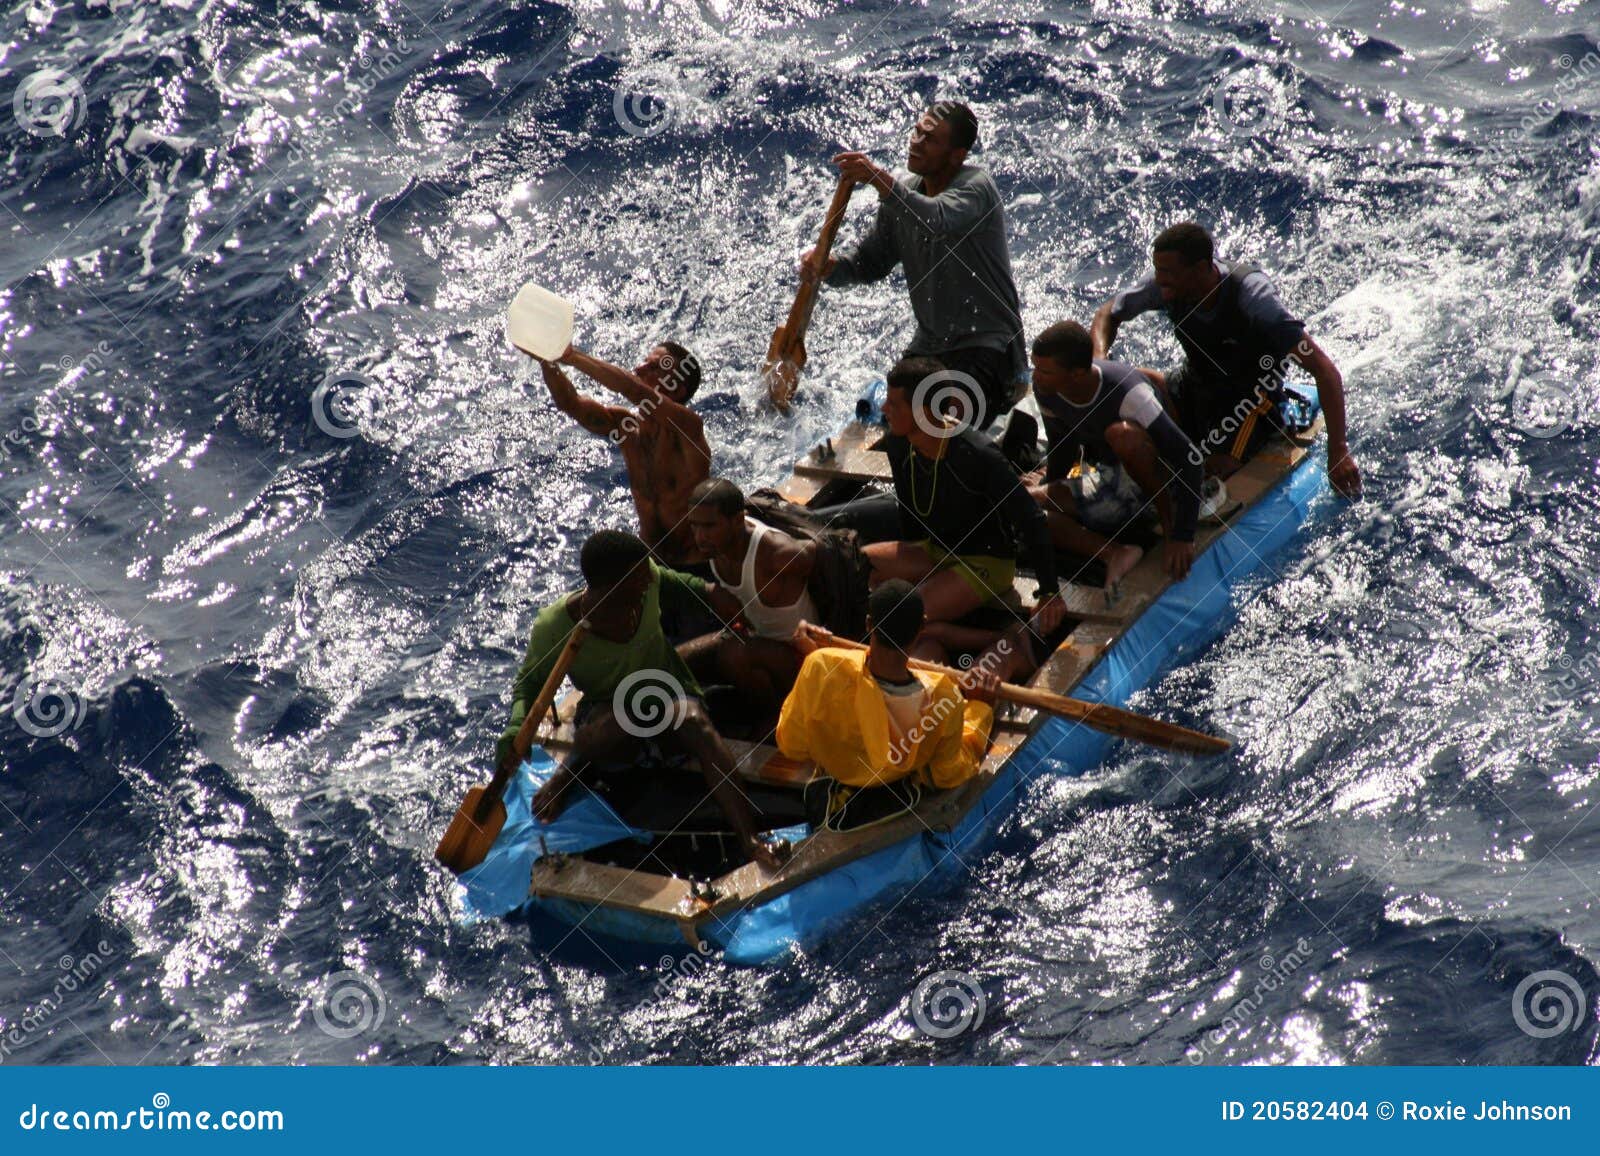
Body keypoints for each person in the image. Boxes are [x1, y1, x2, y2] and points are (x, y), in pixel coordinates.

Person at [497, 530, 784, 870]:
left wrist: (711, 593)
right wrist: (516, 725)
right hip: (611, 708)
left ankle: (749, 840)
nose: (650, 577)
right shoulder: (555, 626)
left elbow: (680, 584)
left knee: (696, 724)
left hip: (666, 686)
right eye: (639, 576)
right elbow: (529, 686)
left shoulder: (646, 582)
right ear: (613, 586)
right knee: (598, 734)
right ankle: (572, 775)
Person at [1091, 221, 1361, 497]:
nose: (1159, 282)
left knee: (1213, 467)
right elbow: (1107, 314)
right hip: (1195, 384)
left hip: (1248, 403)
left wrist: (1338, 450)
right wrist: (1099, 362)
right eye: (1158, 271)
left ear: (1199, 269)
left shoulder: (1254, 299)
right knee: (1126, 384)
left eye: (1168, 273)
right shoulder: (1163, 284)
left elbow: (1325, 370)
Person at [801, 101, 1026, 425]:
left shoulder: (976, 188)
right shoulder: (904, 193)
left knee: (942, 426)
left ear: (956, 155)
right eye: (917, 132)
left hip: (990, 346)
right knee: (895, 420)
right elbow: (869, 263)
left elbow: (936, 219)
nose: (916, 141)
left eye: (930, 139)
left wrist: (879, 179)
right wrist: (829, 268)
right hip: (931, 345)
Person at [777, 581, 1000, 826]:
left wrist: (816, 658)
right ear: (922, 626)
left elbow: (791, 744)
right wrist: (980, 707)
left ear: (869, 623)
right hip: (891, 795)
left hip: (833, 795)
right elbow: (948, 775)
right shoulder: (943, 696)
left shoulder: (820, 665)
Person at [868, 357, 1062, 625]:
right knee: (855, 565)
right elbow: (909, 516)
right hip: (934, 550)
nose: (883, 408)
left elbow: (1031, 517)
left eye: (894, 404)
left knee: (900, 619)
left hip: (986, 562)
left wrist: (1050, 591)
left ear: (924, 412)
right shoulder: (898, 443)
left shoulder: (977, 454)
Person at [1025, 320, 1206, 586]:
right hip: (1111, 476)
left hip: (1160, 476)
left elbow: (1189, 458)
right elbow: (1062, 443)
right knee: (1027, 505)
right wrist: (1049, 485)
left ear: (1076, 374)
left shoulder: (1130, 395)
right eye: (1036, 366)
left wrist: (1182, 535)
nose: (1036, 376)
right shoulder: (1047, 390)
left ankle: (1164, 520)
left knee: (1121, 436)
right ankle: (1115, 553)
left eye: (1045, 371)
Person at [534, 343, 713, 566]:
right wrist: (545, 359)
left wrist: (571, 356)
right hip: (652, 564)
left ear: (677, 390)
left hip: (695, 562)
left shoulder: (689, 429)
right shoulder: (626, 429)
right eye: (644, 362)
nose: (639, 369)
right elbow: (569, 403)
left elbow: (634, 389)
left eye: (654, 368)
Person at [682, 478, 818, 719]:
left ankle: (778, 720)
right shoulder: (712, 547)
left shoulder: (777, 554)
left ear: (738, 520)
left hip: (804, 658)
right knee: (683, 656)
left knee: (733, 653)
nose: (699, 536)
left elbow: (823, 553)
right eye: (694, 526)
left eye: (709, 526)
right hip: (759, 642)